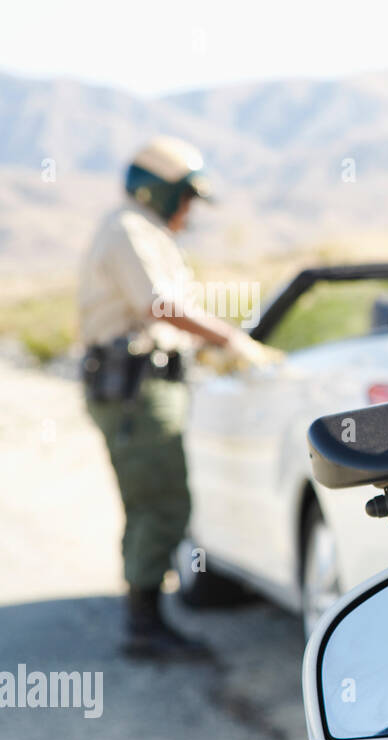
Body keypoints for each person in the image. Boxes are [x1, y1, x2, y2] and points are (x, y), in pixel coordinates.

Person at [78, 135, 278, 662]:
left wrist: (205, 349)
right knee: (159, 504)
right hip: (135, 390)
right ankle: (145, 626)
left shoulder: (143, 232)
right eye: (184, 197)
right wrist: (229, 339)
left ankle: (145, 615)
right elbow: (162, 306)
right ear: (159, 192)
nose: (189, 211)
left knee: (156, 501)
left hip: (146, 383)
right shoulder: (128, 229)